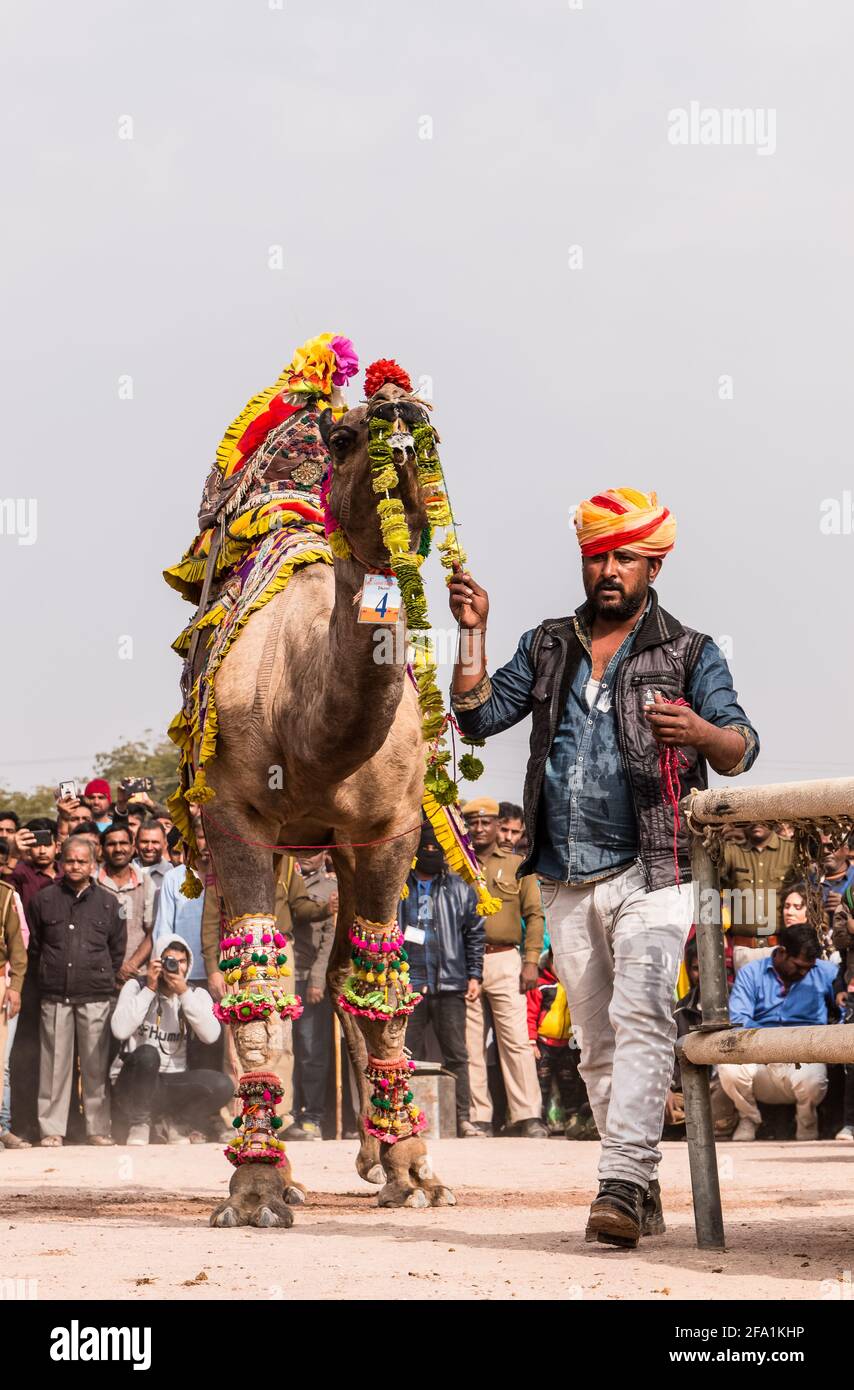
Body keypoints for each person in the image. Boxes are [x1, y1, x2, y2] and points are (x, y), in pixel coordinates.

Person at [449, 486, 759, 1247]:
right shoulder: (549, 642)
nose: (609, 569)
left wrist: (699, 732)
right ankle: (642, 1184)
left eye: (625, 556)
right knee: (595, 1041)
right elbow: (478, 717)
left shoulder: (689, 651)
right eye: (597, 555)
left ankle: (618, 1183)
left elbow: (743, 745)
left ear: (654, 564)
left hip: (655, 867)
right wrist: (473, 634)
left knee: (645, 1012)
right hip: (562, 872)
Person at [29, 835, 126, 1146]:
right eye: (70, 860)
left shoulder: (109, 902)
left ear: (92, 865)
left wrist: (103, 976)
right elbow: (35, 948)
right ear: (61, 862)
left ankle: (98, 1129)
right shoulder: (43, 899)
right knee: (54, 1066)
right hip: (55, 994)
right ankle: (52, 1130)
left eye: (82, 861)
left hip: (95, 996)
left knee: (96, 1067)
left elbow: (116, 950)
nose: (75, 866)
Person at [460, 797, 547, 1138]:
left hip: (505, 958)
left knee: (516, 1041)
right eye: (473, 823)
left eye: (486, 823)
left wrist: (530, 961)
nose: (479, 829)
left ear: (498, 825)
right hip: (466, 962)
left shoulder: (517, 865)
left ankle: (528, 1115)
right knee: (471, 1044)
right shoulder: (458, 865)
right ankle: (479, 1116)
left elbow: (535, 915)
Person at [398, 824, 485, 1139]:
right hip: (408, 982)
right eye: (426, 848)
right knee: (407, 1053)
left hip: (449, 982)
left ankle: (462, 1118)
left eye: (437, 848)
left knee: (456, 1054)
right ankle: (406, 1118)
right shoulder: (400, 886)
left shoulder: (460, 888)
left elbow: (474, 934)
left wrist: (475, 974)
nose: (431, 854)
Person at [718, 924, 837, 1141]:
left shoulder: (825, 973)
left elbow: (842, 1010)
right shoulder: (751, 973)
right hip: (759, 1058)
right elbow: (738, 1020)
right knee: (728, 1069)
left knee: (813, 1079)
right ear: (782, 952)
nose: (804, 973)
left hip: (803, 1057)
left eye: (808, 969)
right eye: (799, 966)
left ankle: (807, 1124)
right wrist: (772, 1042)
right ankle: (749, 1118)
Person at [111, 935, 232, 1145]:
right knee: (148, 1053)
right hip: (134, 1082)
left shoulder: (196, 994)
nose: (174, 966)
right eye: (168, 960)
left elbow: (211, 1035)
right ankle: (139, 1123)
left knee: (223, 1085)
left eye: (181, 962)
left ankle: (177, 1122)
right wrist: (149, 988)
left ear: (188, 965)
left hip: (171, 1083)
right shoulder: (136, 987)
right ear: (156, 961)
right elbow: (120, 1030)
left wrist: (184, 993)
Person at [289, 851, 338, 1140]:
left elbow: (329, 938)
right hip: (283, 975)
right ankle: (289, 1113)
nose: (307, 856)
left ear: (325, 855)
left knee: (311, 1050)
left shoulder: (331, 889)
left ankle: (313, 1115)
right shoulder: (285, 881)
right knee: (286, 1050)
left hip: (310, 979)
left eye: (315, 851)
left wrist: (318, 979)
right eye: (303, 849)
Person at [527, 947, 595, 1139]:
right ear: (548, 962)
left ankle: (572, 1120)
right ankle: (540, 1119)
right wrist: (531, 1041)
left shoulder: (575, 987)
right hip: (544, 1044)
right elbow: (531, 1014)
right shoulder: (541, 986)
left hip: (566, 1044)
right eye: (556, 963)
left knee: (569, 1083)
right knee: (542, 1084)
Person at [719, 822, 795, 946]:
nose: (756, 822)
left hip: (781, 946)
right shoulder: (732, 851)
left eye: (762, 817)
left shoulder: (791, 850)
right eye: (749, 818)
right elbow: (713, 885)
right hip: (742, 947)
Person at [97, 824, 156, 983]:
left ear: (132, 847)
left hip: (137, 974)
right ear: (101, 849)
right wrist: (113, 968)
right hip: (99, 975)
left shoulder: (146, 883)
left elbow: (151, 932)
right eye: (111, 844)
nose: (118, 849)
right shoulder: (92, 883)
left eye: (123, 843)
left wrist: (130, 966)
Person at [0, 878, 30, 1148]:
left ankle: (2, 1127)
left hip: (0, 984)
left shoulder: (5, 894)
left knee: (1, 1063)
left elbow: (17, 950)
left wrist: (15, 987)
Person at [8, 818, 60, 920]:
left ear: (57, 847)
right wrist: (14, 856)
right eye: (36, 845)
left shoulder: (67, 872)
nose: (42, 851)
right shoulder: (19, 872)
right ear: (28, 847)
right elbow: (5, 892)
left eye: (47, 845)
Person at [135, 819, 170, 915]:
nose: (149, 847)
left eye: (155, 842)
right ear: (135, 844)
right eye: (144, 841)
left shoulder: (173, 876)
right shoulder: (124, 873)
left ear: (165, 844)